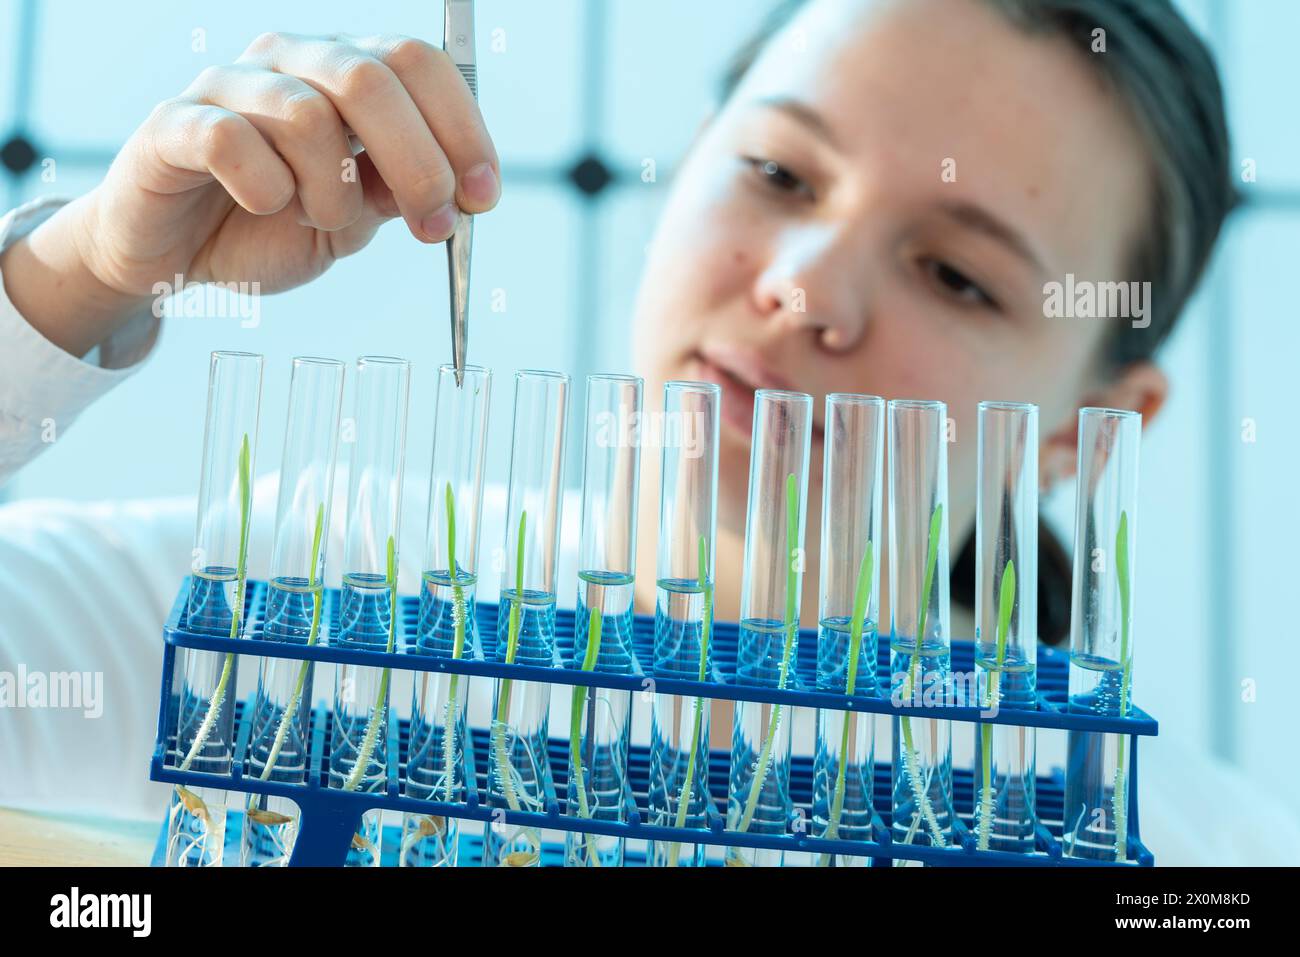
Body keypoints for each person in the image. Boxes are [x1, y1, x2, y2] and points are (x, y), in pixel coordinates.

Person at [1, 0, 1296, 863]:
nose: (807, 286)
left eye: (959, 276)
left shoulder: (1190, 851)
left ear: (1093, 426)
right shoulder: (292, 611)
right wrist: (84, 276)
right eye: (779, 174)